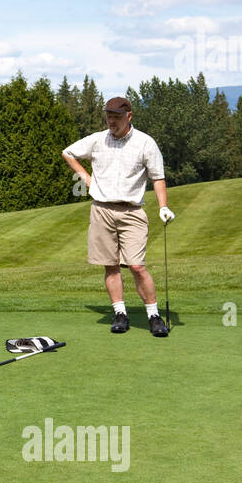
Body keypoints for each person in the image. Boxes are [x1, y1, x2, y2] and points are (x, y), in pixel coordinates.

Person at [61, 97, 176, 337]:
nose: (111, 121)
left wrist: (163, 206)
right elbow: (68, 152)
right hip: (101, 209)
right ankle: (120, 313)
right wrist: (86, 179)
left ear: (129, 116)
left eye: (116, 117)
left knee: (136, 265)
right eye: (108, 116)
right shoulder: (98, 139)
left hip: (132, 211)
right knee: (111, 265)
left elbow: (157, 177)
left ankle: (153, 315)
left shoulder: (145, 143)